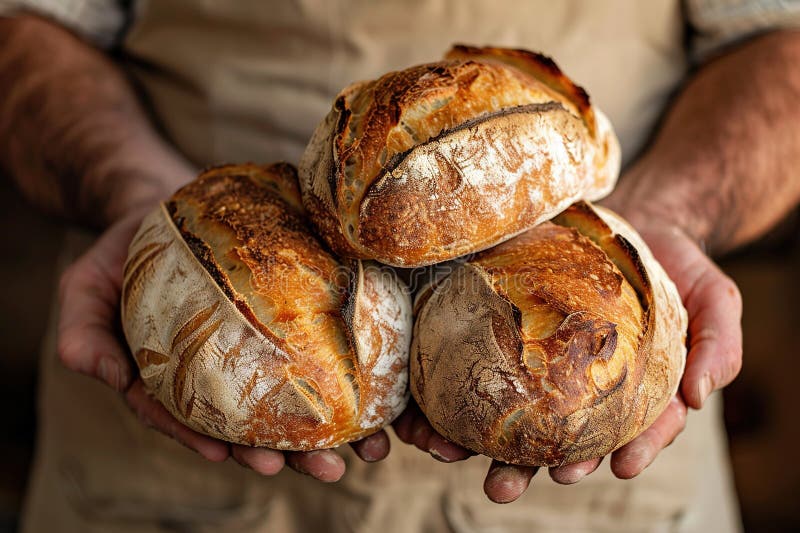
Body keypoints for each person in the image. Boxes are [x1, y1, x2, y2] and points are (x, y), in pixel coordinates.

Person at [0, 1, 798, 531]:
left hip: (604, 476)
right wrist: (132, 193)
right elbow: (23, 28)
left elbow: (781, 42)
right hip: (159, 471)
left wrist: (667, 216)